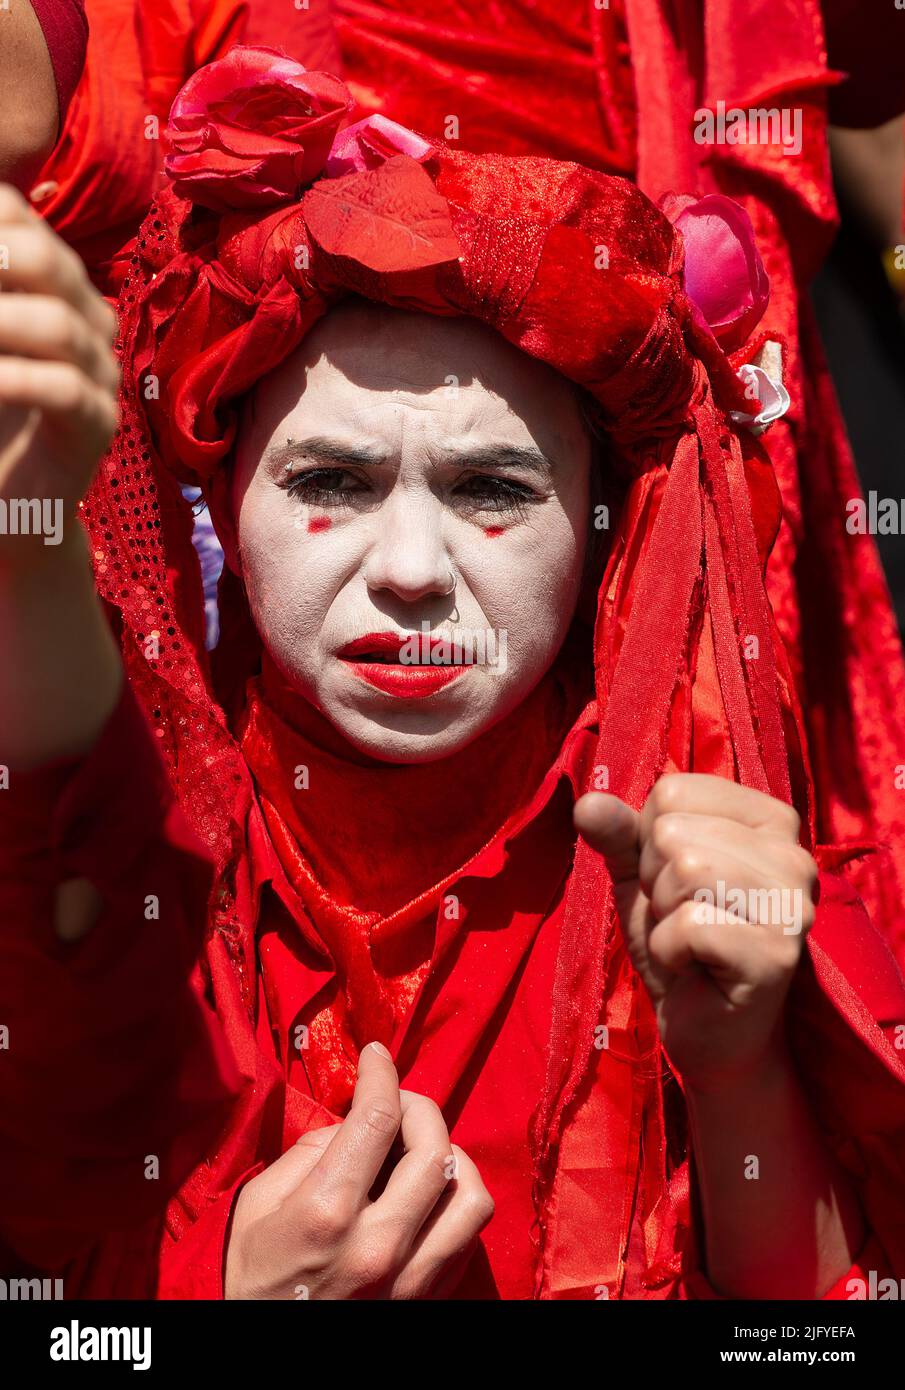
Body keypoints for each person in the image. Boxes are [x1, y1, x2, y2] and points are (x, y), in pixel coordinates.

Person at [2, 48, 905, 1300]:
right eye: (331, 482)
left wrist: (743, 1066)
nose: (413, 570)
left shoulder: (716, 884)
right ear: (224, 495)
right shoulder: (96, 872)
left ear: (604, 523)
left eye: (491, 488)